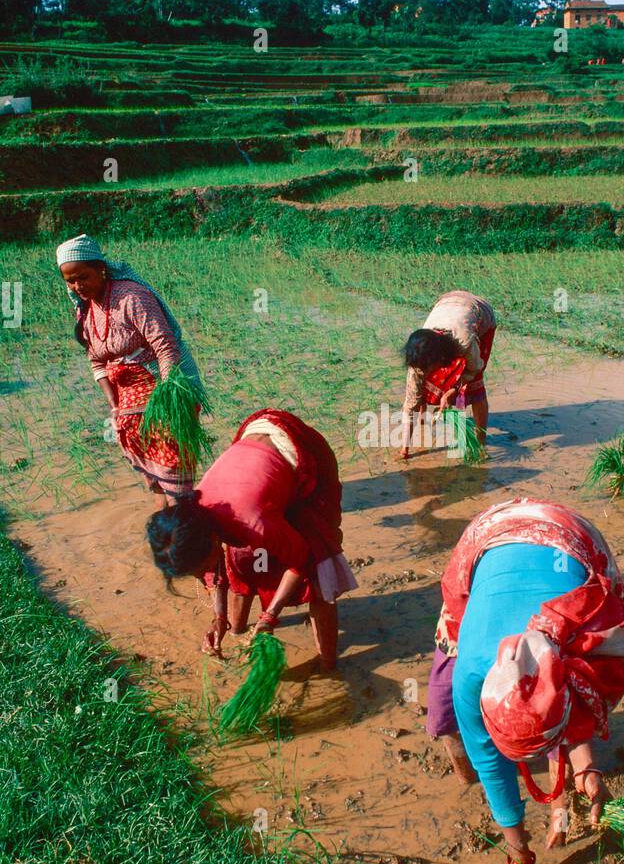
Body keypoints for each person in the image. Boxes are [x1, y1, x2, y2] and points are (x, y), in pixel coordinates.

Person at [426, 499, 624, 864]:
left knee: (570, 711)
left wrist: (586, 771)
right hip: (490, 537)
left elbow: (579, 709)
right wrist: (519, 854)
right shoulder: (471, 681)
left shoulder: (588, 641)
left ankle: (567, 796)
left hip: (572, 538)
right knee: (447, 705)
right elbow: (493, 766)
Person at [145, 408, 357, 667]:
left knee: (318, 560)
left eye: (201, 570)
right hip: (254, 447)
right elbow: (218, 568)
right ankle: (236, 628)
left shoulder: (252, 521)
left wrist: (270, 616)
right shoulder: (197, 512)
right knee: (242, 559)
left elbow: (301, 561)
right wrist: (218, 620)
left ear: (210, 540)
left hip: (302, 453)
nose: (203, 577)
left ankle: (327, 662)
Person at [56, 233, 203, 503]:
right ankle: (167, 523)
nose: (78, 285)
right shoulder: (86, 310)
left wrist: (168, 398)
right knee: (155, 477)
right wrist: (114, 405)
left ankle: (187, 528)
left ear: (100, 269)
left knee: (175, 473)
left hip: (161, 389)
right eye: (70, 281)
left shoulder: (132, 297)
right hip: (128, 404)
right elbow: (96, 360)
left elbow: (164, 345)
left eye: (83, 277)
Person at [400, 290, 496, 460]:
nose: (423, 372)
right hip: (447, 303)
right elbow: (410, 403)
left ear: (440, 358)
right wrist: (404, 449)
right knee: (418, 387)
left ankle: (480, 440)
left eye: (427, 368)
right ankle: (422, 419)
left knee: (475, 386)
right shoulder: (418, 356)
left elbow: (474, 369)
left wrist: (453, 390)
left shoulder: (464, 341)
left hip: (480, 313)